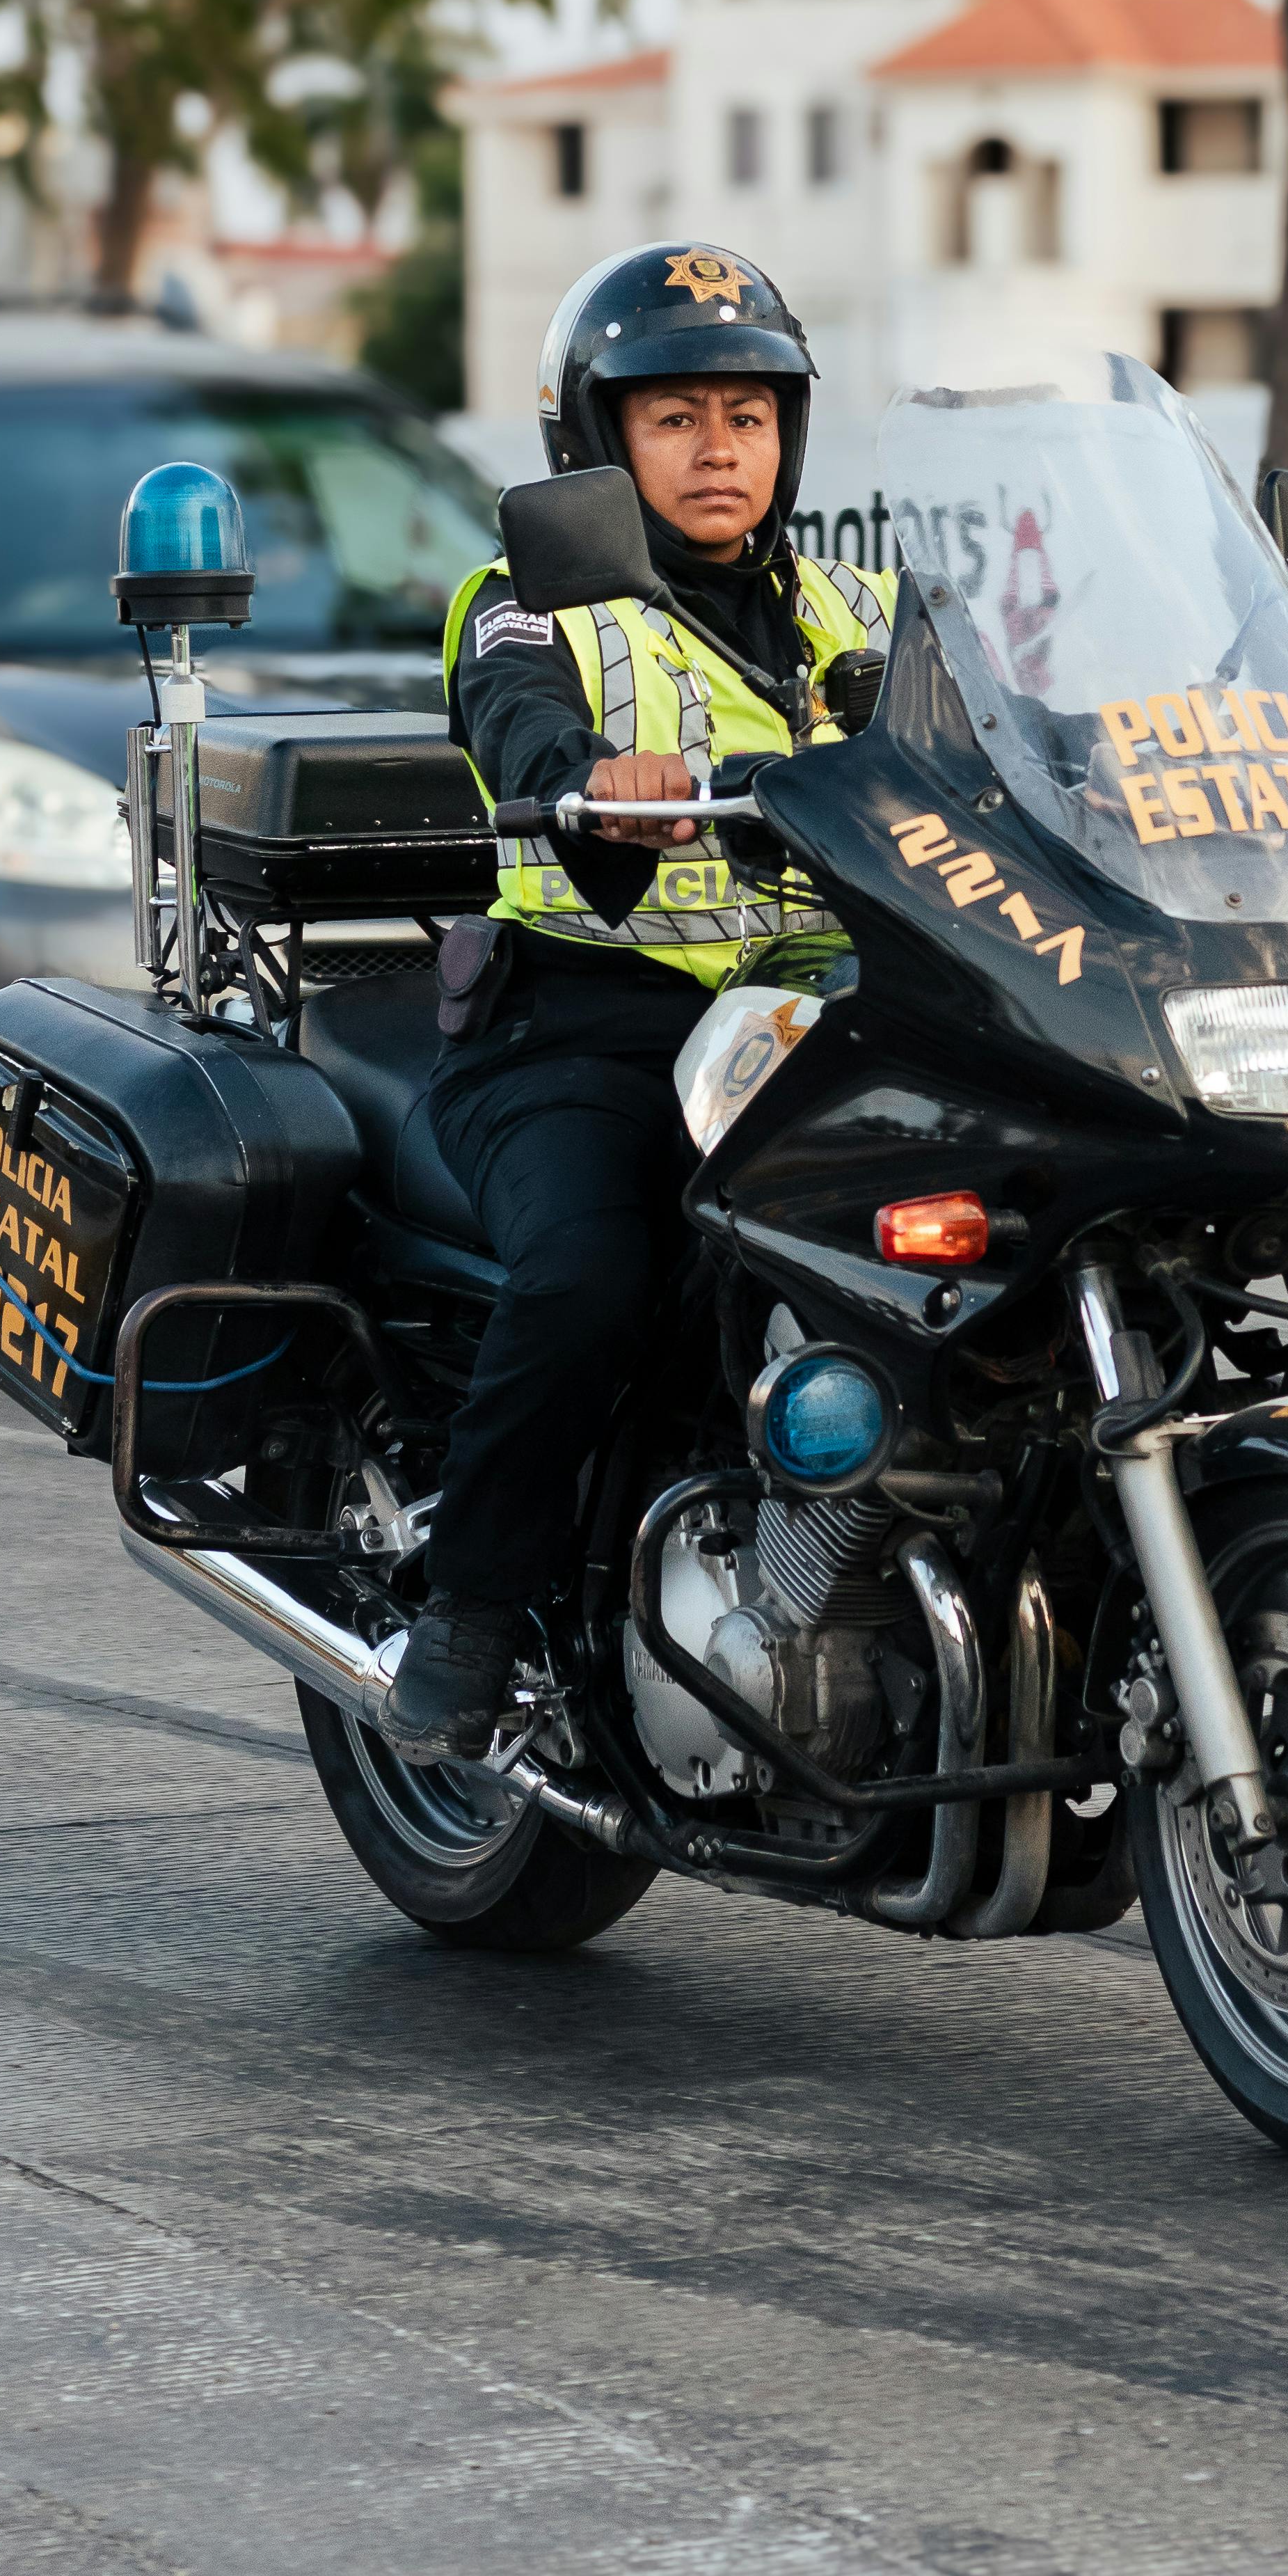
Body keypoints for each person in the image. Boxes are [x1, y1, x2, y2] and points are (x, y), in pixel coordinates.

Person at [373, 240, 895, 1763]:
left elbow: (1004, 735)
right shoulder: (530, 602)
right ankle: (467, 1614)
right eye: (674, 416)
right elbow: (517, 716)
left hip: (819, 1037)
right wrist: (592, 783)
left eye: (749, 410)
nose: (720, 444)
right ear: (597, 441)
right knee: (592, 1273)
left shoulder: (864, 610)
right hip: (582, 1034)